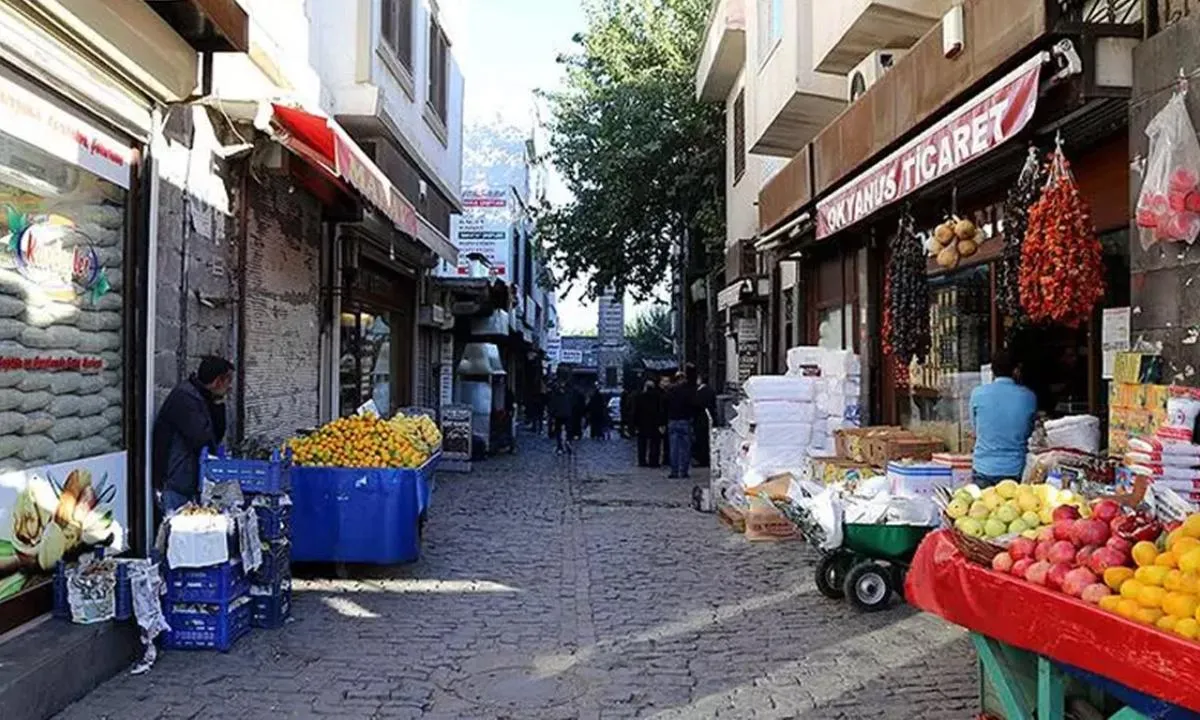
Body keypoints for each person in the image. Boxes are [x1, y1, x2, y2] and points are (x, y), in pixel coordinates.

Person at [152, 356, 234, 514]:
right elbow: (203, 440)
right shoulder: (185, 398)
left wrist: (218, 401)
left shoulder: (202, 396)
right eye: (228, 381)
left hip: (188, 482)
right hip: (174, 483)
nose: (230, 386)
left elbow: (216, 436)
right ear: (218, 381)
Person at [970, 349, 1037, 487]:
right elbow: (1029, 431)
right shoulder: (1029, 397)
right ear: (1016, 370)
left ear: (992, 371)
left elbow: (975, 430)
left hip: (983, 467)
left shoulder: (977, 394)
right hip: (1015, 469)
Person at [665, 371, 697, 479]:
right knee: (685, 449)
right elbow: (693, 405)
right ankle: (683, 471)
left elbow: (665, 405)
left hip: (673, 420)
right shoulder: (688, 391)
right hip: (685, 420)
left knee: (674, 448)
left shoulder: (670, 391)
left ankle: (674, 471)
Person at [634, 379, 664, 467]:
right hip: (654, 423)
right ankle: (654, 461)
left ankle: (642, 461)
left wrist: (635, 424)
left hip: (642, 423)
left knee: (642, 444)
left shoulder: (639, 397)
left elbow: (636, 411)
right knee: (655, 443)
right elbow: (660, 410)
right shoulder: (658, 397)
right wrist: (661, 423)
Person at [693, 374, 718, 467]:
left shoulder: (701, 392)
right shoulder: (710, 390)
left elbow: (697, 404)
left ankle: (702, 459)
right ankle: (705, 458)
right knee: (706, 439)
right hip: (708, 417)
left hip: (702, 418)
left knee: (701, 439)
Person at [548, 380, 573, 454]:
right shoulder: (568, 394)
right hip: (567, 414)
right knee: (568, 429)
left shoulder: (555, 395)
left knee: (558, 430)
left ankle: (560, 447)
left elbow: (553, 406)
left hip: (558, 415)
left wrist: (551, 415)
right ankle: (568, 440)